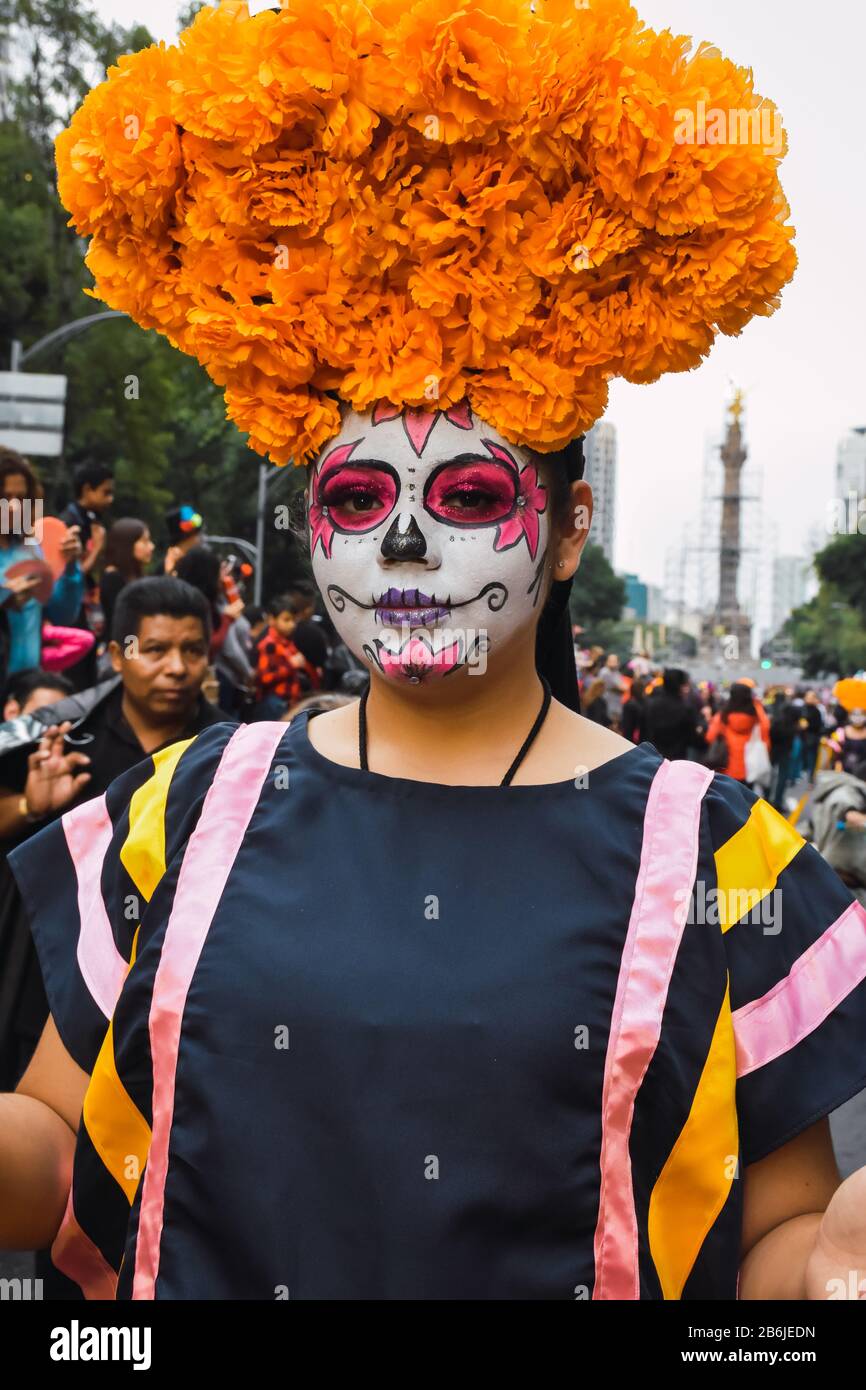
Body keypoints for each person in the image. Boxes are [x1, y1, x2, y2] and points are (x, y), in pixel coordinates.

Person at [3, 0, 865, 1307]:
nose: (403, 544)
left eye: (467, 497)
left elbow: (773, 1245)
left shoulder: (721, 858)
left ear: (568, 530)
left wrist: (836, 1262)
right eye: (354, 501)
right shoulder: (179, 813)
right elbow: (56, 1146)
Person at [0, 449, 84, 680]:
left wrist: (70, 567)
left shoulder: (30, 548)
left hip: (26, 682)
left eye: (21, 498)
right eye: (5, 498)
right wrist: (5, 597)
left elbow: (62, 614)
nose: (14, 507)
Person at [255, 589, 321, 717]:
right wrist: (291, 665)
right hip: (274, 702)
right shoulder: (269, 644)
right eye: (286, 620)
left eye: (293, 620)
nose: (291, 625)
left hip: (285, 702)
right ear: (271, 620)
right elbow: (264, 678)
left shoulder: (285, 642)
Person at [99, 518, 155, 648]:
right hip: (124, 651)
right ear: (127, 544)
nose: (151, 546)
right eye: (145, 541)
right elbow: (123, 625)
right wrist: (132, 655)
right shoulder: (113, 578)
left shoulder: (134, 576)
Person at [705, 681, 771, 787]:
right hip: (749, 767)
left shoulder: (723, 715)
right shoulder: (756, 716)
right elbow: (765, 738)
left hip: (726, 766)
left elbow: (710, 737)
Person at [642, 668, 706, 762]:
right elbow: (693, 739)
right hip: (677, 759)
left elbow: (645, 731)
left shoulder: (651, 704)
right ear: (680, 685)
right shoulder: (686, 708)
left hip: (653, 756)